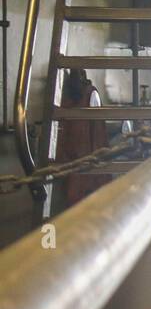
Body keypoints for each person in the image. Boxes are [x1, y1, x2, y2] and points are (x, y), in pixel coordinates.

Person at [57, 69, 110, 206]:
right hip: (75, 159)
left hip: (85, 158)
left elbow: (98, 134)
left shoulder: (89, 95)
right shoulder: (68, 101)